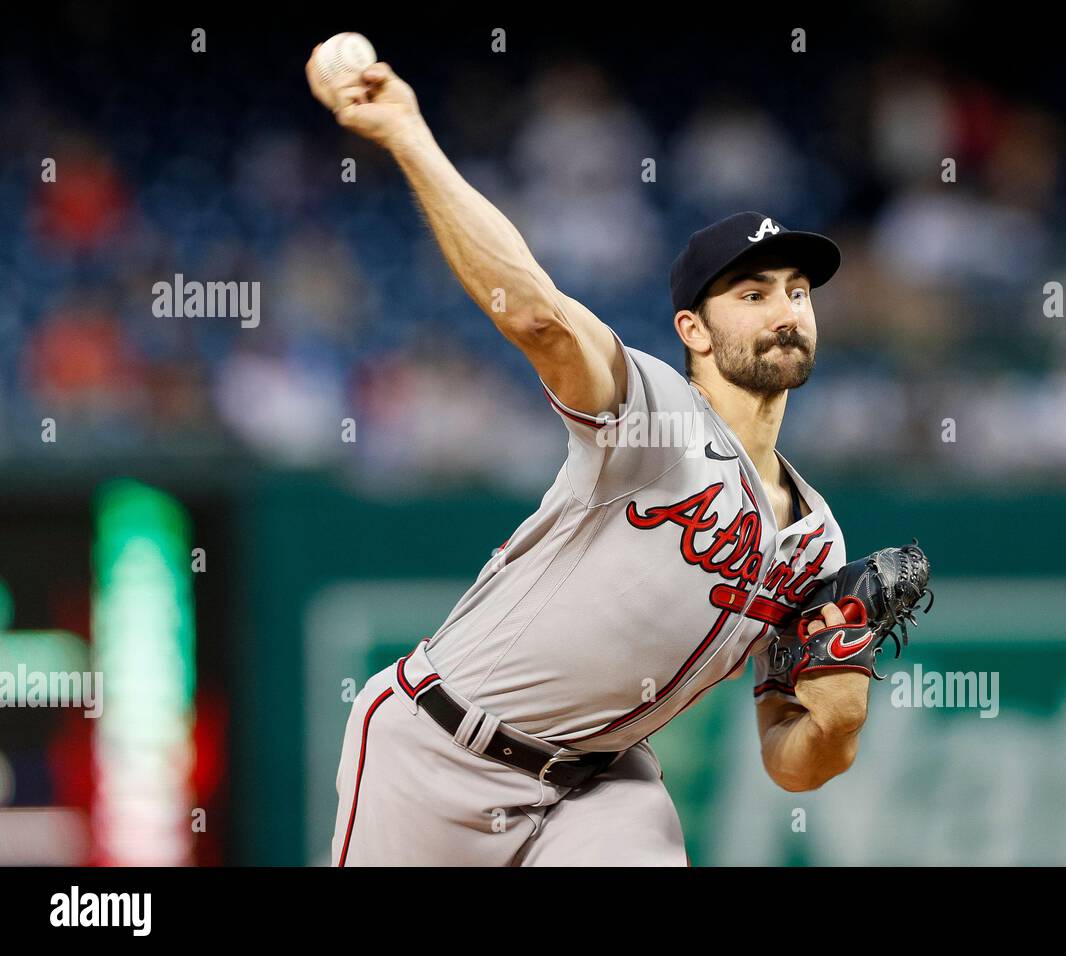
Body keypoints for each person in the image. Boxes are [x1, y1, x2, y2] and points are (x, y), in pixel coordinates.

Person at [309, 53, 870, 866]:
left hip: (599, 786)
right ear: (694, 332)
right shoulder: (653, 412)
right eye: (752, 294)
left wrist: (836, 722)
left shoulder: (821, 544)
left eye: (797, 292)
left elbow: (790, 763)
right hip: (435, 748)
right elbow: (537, 319)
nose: (785, 309)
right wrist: (406, 133)